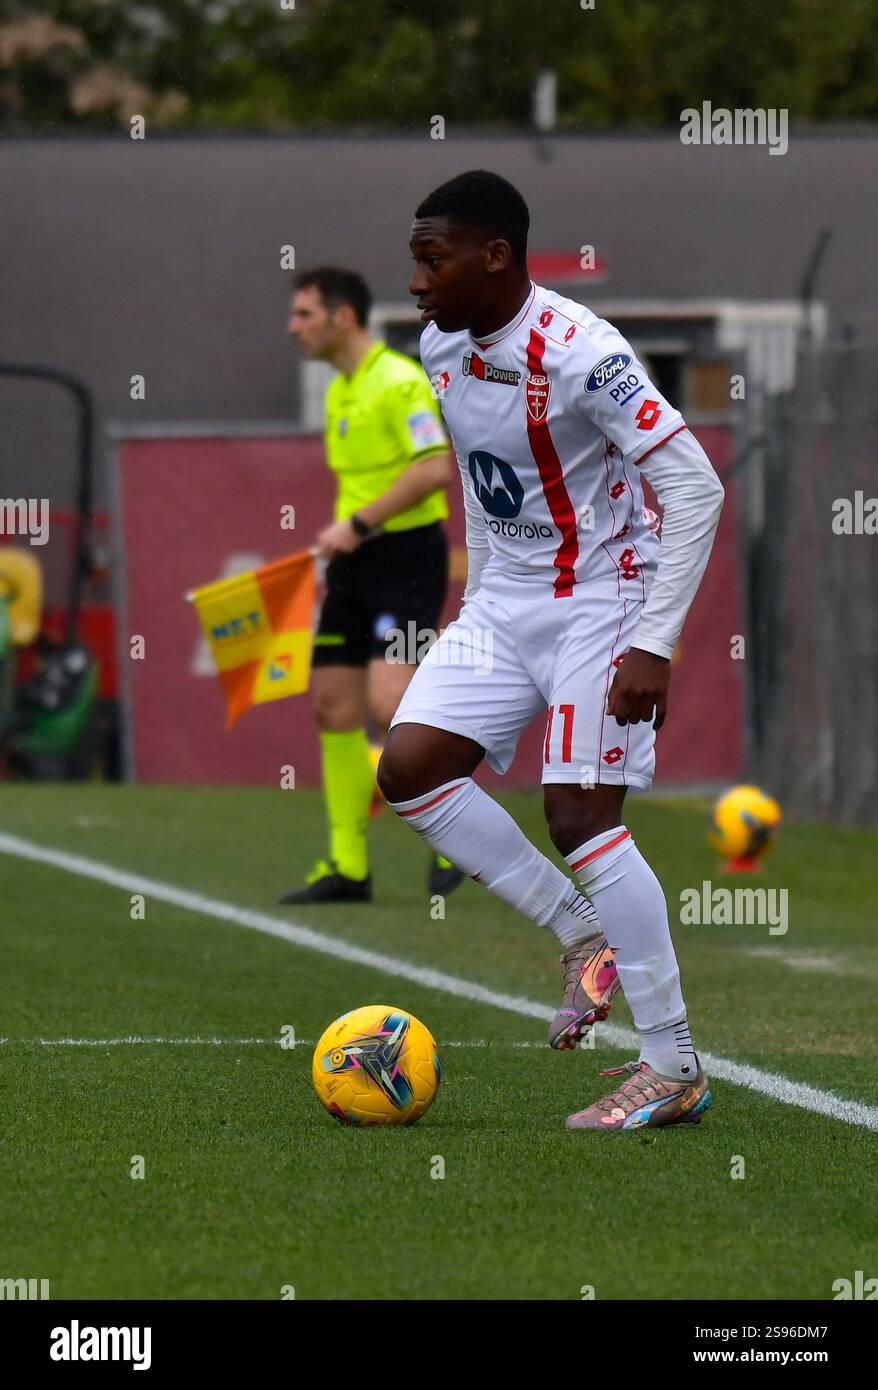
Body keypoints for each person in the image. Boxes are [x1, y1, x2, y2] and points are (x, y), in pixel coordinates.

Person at [378, 172, 725, 1131]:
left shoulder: (584, 353)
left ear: (495, 255)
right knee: (410, 770)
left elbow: (696, 490)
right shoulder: (441, 343)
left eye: (430, 258)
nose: (415, 282)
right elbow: (483, 489)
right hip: (507, 601)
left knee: (578, 813)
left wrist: (654, 641)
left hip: (604, 598)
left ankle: (673, 1066)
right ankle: (580, 932)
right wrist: (477, 604)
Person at [281, 266, 464, 904]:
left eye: (305, 314)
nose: (293, 327)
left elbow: (437, 469)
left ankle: (456, 844)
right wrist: (341, 540)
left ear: (343, 317)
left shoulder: (399, 379)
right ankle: (347, 867)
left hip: (408, 558)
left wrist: (357, 523)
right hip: (355, 562)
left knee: (393, 704)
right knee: (330, 703)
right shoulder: (339, 391)